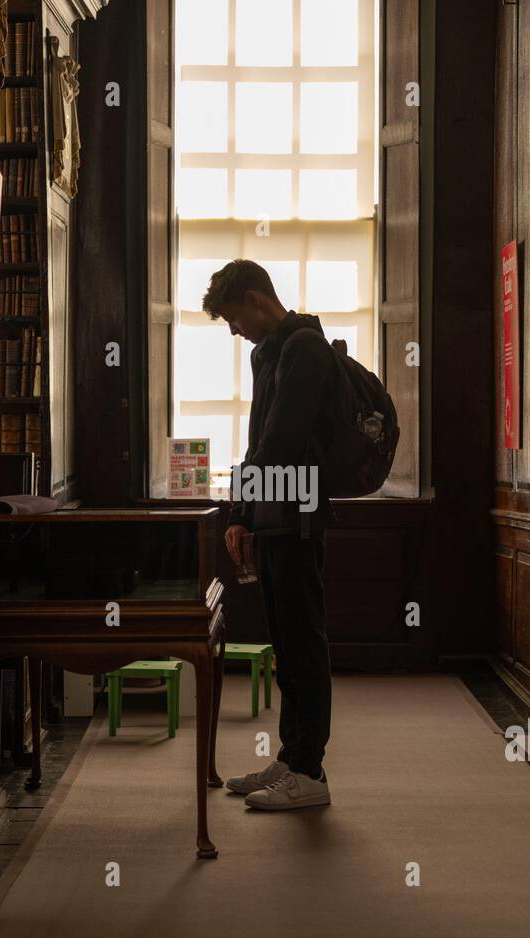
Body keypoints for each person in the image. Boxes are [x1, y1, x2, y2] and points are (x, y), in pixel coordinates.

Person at [202, 259, 336, 811]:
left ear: (257, 299)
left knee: (304, 641)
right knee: (286, 643)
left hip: (298, 515)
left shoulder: (304, 349)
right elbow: (260, 440)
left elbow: (278, 444)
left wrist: (239, 512)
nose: (234, 330)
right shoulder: (274, 353)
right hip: (278, 514)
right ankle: (291, 756)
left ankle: (311, 772)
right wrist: (245, 512)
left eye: (235, 317)